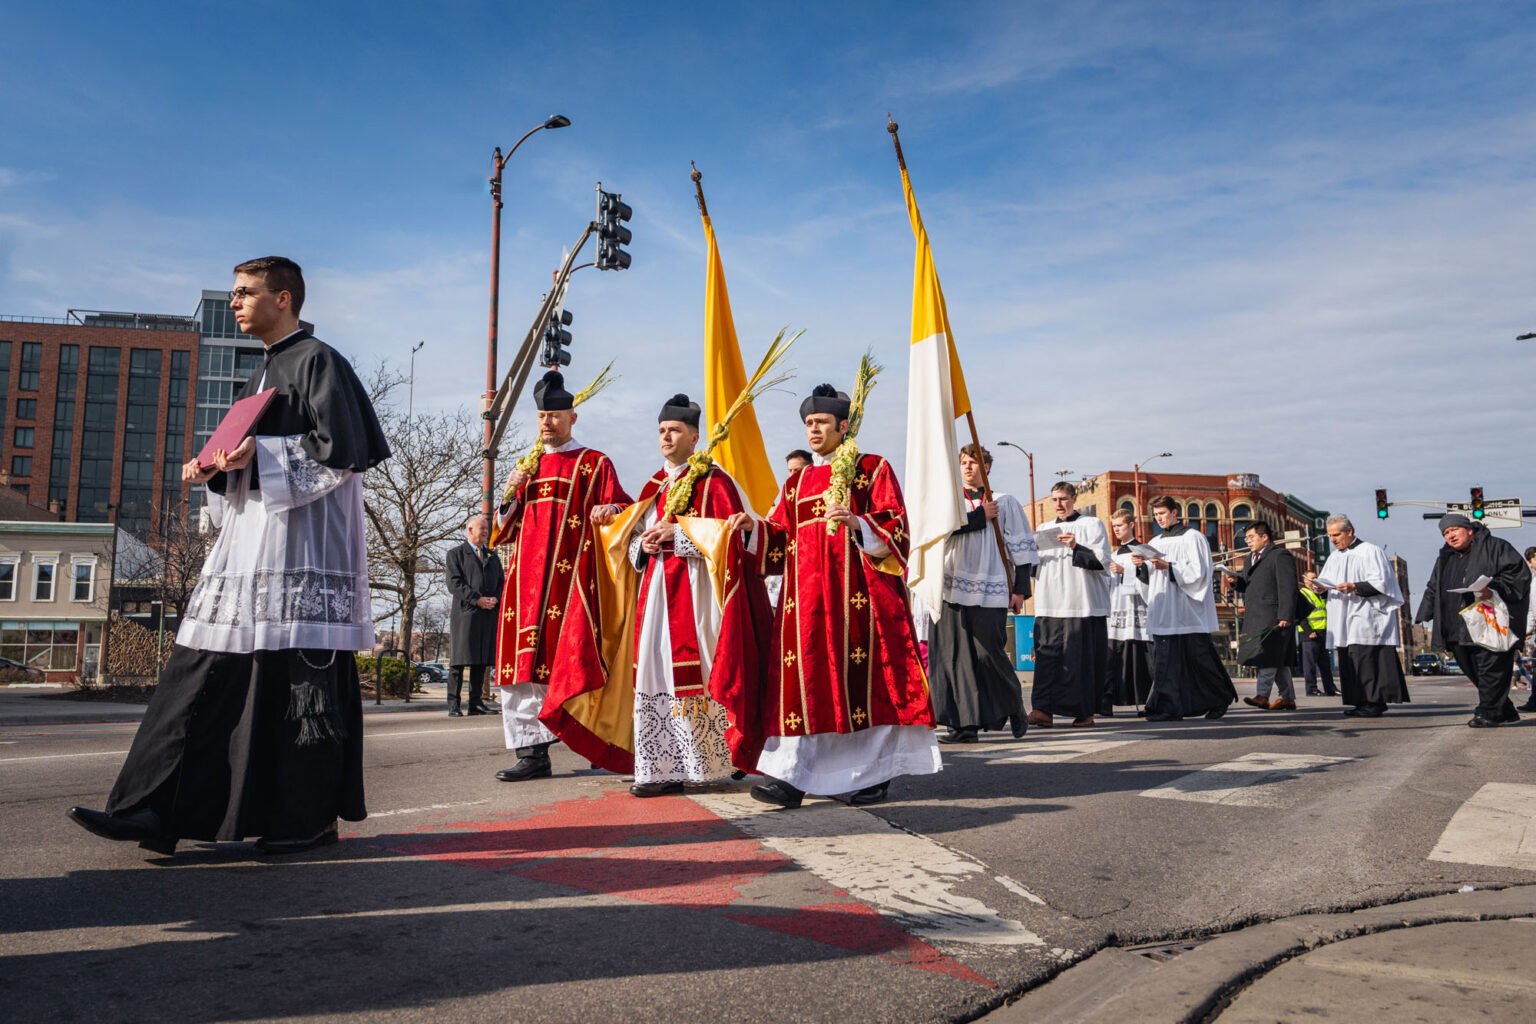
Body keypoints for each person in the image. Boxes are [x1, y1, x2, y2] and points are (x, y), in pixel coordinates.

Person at [67, 256, 390, 855]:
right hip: (246, 552)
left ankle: (307, 819)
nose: (236, 303)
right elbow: (243, 454)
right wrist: (213, 466)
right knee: (201, 674)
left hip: (301, 558)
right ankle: (151, 812)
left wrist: (256, 458)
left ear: (284, 298)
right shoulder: (261, 374)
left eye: (246, 293)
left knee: (296, 688)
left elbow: (341, 452)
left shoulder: (319, 362)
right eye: (236, 294)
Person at [726, 383, 939, 808]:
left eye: (821, 422)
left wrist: (859, 523)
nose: (814, 430)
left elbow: (896, 525)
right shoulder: (797, 480)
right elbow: (781, 536)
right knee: (804, 684)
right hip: (804, 604)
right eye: (808, 423)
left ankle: (873, 775)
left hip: (859, 599)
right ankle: (793, 776)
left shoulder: (872, 468)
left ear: (844, 425)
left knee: (865, 684)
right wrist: (754, 529)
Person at [608, 395, 771, 795]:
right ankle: (661, 766)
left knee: (702, 670)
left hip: (698, 592)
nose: (666, 436)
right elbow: (632, 535)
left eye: (674, 430)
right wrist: (641, 547)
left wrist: (679, 534)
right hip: (657, 591)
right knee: (654, 668)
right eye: (662, 430)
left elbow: (730, 536)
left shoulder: (714, 481)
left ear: (694, 436)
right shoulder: (654, 485)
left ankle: (710, 760)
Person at [490, 371, 632, 782]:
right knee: (520, 670)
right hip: (523, 584)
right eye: (541, 417)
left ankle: (594, 741)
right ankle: (532, 754)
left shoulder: (594, 463)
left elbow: (622, 509)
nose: (547, 423)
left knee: (574, 662)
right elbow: (502, 531)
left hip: (571, 584)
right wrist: (510, 494)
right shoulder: (527, 468)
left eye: (554, 415)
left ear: (573, 417)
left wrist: (611, 513)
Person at [929, 444, 1037, 743]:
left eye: (974, 463)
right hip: (950, 587)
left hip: (990, 588)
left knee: (988, 653)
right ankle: (962, 726)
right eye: (963, 462)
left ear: (986, 467)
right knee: (953, 658)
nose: (967, 467)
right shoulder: (949, 500)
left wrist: (1020, 590)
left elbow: (1022, 548)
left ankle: (1014, 705)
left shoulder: (1005, 502)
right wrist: (978, 517)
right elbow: (937, 532)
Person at [1414, 514, 1531, 728]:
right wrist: (1425, 612)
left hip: (1489, 620)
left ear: (1469, 530)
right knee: (1471, 668)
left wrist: (1493, 588)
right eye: (1446, 533)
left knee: (1491, 667)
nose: (1450, 535)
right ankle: (1504, 710)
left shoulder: (1496, 547)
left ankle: (1488, 713)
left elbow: (1518, 574)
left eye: (1454, 530)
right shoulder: (1445, 557)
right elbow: (1434, 585)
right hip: (1455, 625)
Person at [1138, 496, 1236, 722]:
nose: (1159, 518)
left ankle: (1219, 697)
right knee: (1166, 663)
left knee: (1200, 660)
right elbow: (1151, 580)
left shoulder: (1193, 537)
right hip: (1164, 610)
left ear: (1174, 512)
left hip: (1187, 610)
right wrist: (1141, 568)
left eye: (1162, 513)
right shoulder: (1155, 542)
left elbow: (1200, 572)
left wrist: (1169, 566)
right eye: (1155, 515)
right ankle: (1169, 708)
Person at [1029, 481, 1112, 727]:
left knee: (1080, 661)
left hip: (1081, 604)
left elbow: (1102, 561)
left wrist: (1076, 546)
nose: (1059, 504)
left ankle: (1084, 712)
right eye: (1054, 499)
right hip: (1049, 603)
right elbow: (1035, 568)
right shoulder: (1043, 529)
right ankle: (1043, 710)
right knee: (1048, 658)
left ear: (1074, 498)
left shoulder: (1091, 525)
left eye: (1063, 498)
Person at [1310, 514, 1409, 718]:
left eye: (1337, 534)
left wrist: (1354, 586)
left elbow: (1383, 583)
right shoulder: (1334, 557)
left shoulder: (1370, 551)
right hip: (1342, 616)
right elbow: (1328, 584)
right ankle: (1359, 701)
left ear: (1350, 531)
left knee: (1365, 659)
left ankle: (1373, 702)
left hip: (1366, 615)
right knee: (1350, 659)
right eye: (1330, 536)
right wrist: (1320, 588)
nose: (1333, 539)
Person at [1233, 522, 1302, 710]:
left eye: (1251, 537)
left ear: (1265, 537)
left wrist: (1286, 615)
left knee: (1268, 656)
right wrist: (1235, 582)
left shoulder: (1279, 556)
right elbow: (1248, 585)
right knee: (1277, 659)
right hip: (1255, 615)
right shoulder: (1250, 559)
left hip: (1274, 615)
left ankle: (1262, 696)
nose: (1247, 541)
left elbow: (1288, 588)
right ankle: (1287, 697)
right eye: (1246, 538)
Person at [445, 515, 503, 717]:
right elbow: (455, 584)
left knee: (480, 661)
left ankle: (475, 703)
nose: (486, 532)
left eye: (486, 528)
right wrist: (477, 599)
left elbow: (500, 583)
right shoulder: (456, 554)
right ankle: (454, 704)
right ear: (470, 530)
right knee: (458, 662)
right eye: (482, 528)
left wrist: (495, 599)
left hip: (487, 615)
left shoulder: (492, 556)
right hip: (465, 615)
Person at [1105, 508, 1154, 713]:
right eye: (1114, 526)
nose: (1116, 530)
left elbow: (1151, 580)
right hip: (1117, 609)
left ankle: (1150, 701)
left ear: (1131, 525)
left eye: (1120, 525)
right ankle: (1110, 701)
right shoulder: (1113, 554)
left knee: (1142, 659)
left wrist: (1126, 571)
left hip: (1136, 609)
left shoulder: (1143, 551)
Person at [1297, 571, 1337, 697]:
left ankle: (1330, 688)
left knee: (1325, 664)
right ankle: (1311, 689)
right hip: (1309, 634)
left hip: (1322, 632)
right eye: (1312, 578)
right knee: (1310, 665)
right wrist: (1309, 631)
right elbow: (1299, 615)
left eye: (1316, 577)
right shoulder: (1302, 594)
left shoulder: (1318, 593)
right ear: (1305, 580)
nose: (1315, 580)